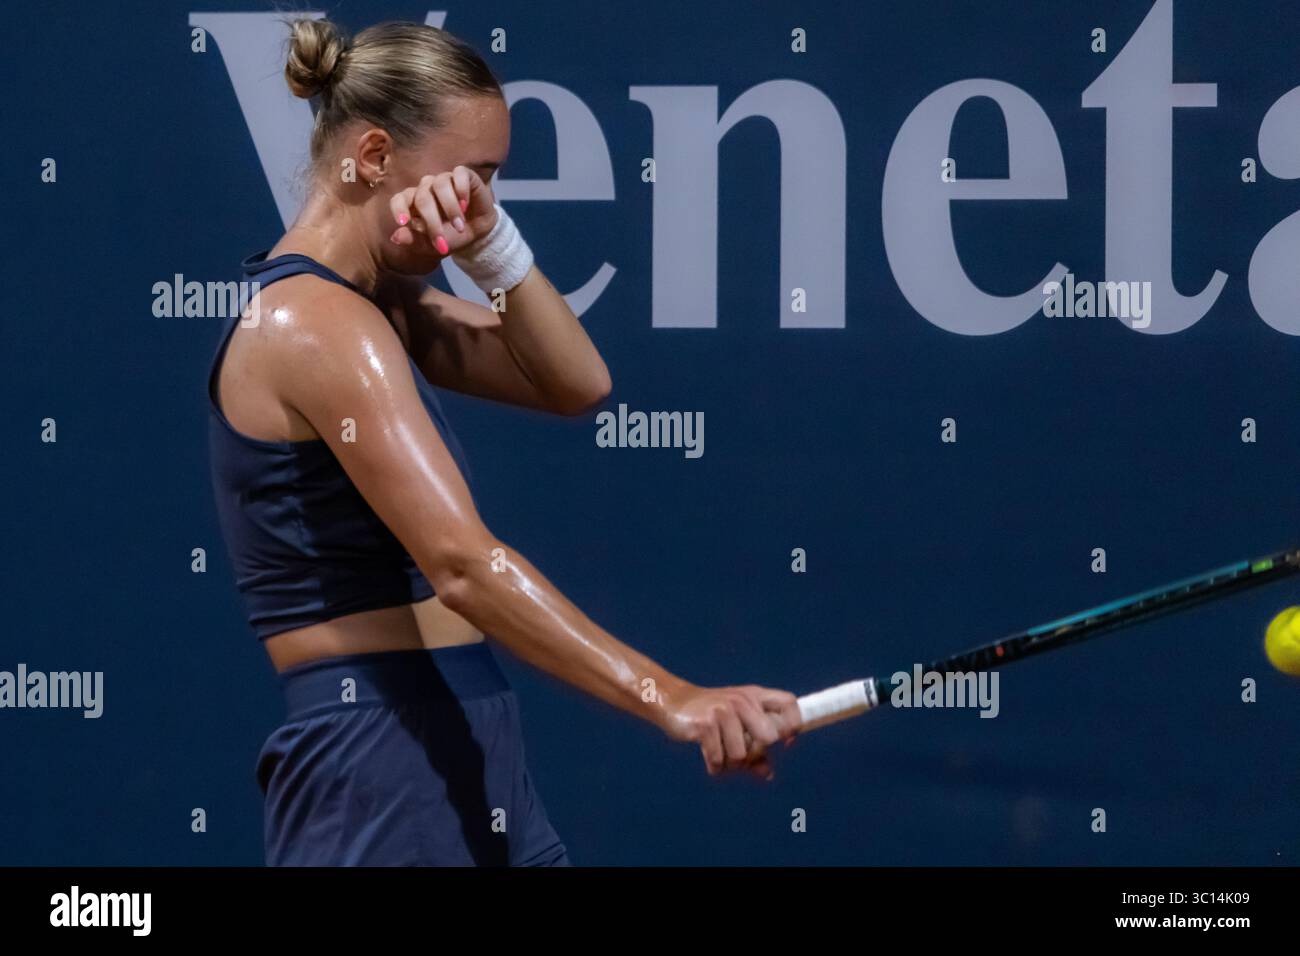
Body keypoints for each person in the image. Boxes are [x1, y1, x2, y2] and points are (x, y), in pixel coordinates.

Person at [207, 18, 801, 866]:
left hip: (468, 742)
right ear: (373, 155)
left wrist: (492, 247)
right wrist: (671, 697)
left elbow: (577, 384)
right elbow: (462, 566)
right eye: (474, 176)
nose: (480, 199)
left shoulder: (381, 308)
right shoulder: (312, 322)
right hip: (377, 763)